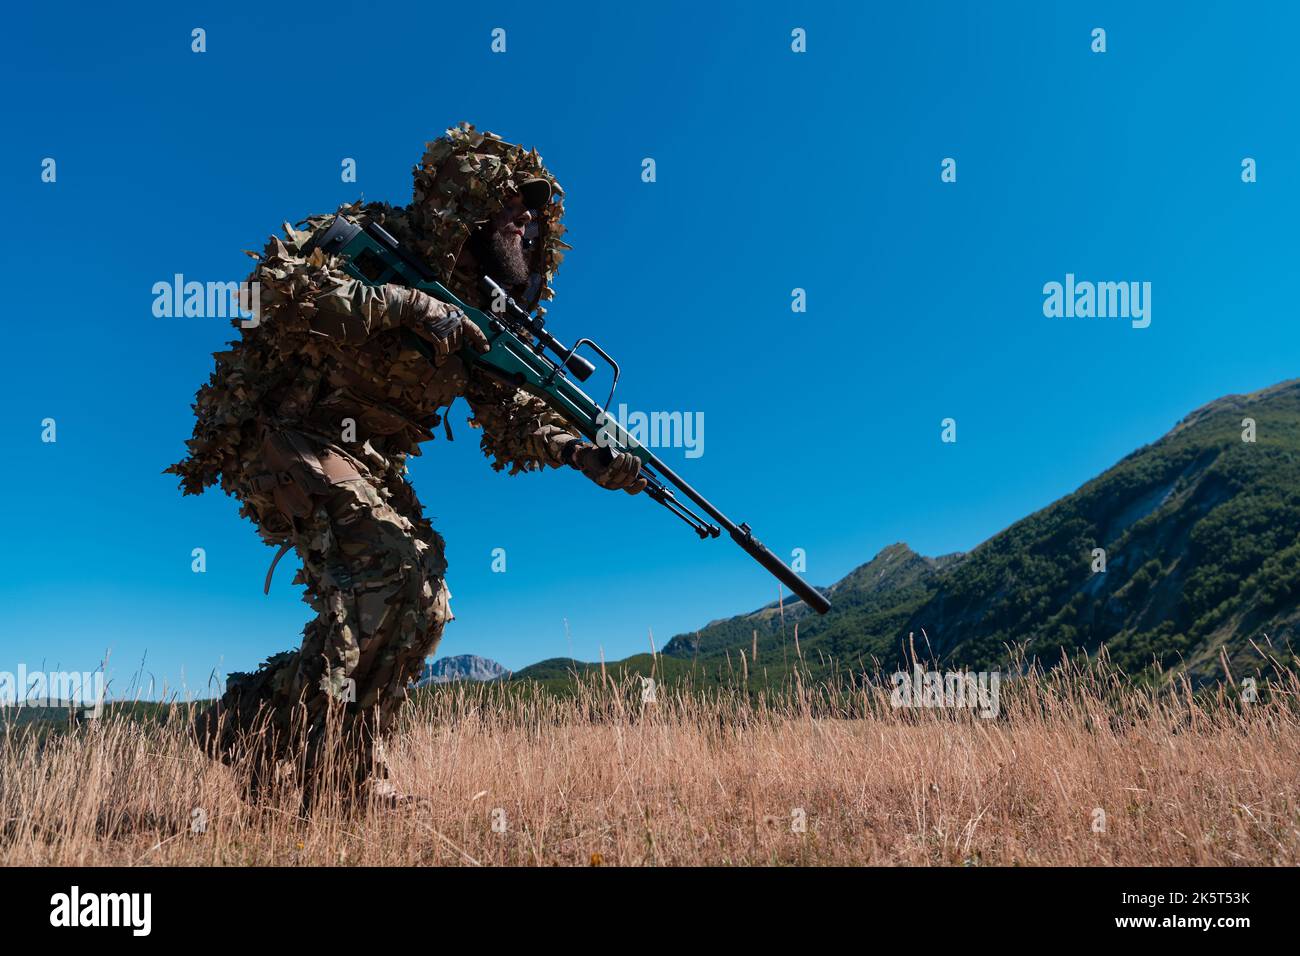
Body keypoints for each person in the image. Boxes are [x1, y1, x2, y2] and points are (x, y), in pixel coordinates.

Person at [169, 122, 645, 810]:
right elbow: (269, 294)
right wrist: (405, 304)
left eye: (534, 214)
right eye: (512, 203)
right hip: (288, 435)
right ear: (468, 201)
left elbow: (510, 421)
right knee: (390, 568)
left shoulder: (489, 320)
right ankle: (329, 771)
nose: (526, 221)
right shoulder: (371, 237)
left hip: (366, 459)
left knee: (425, 601)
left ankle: (266, 727)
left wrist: (580, 452)